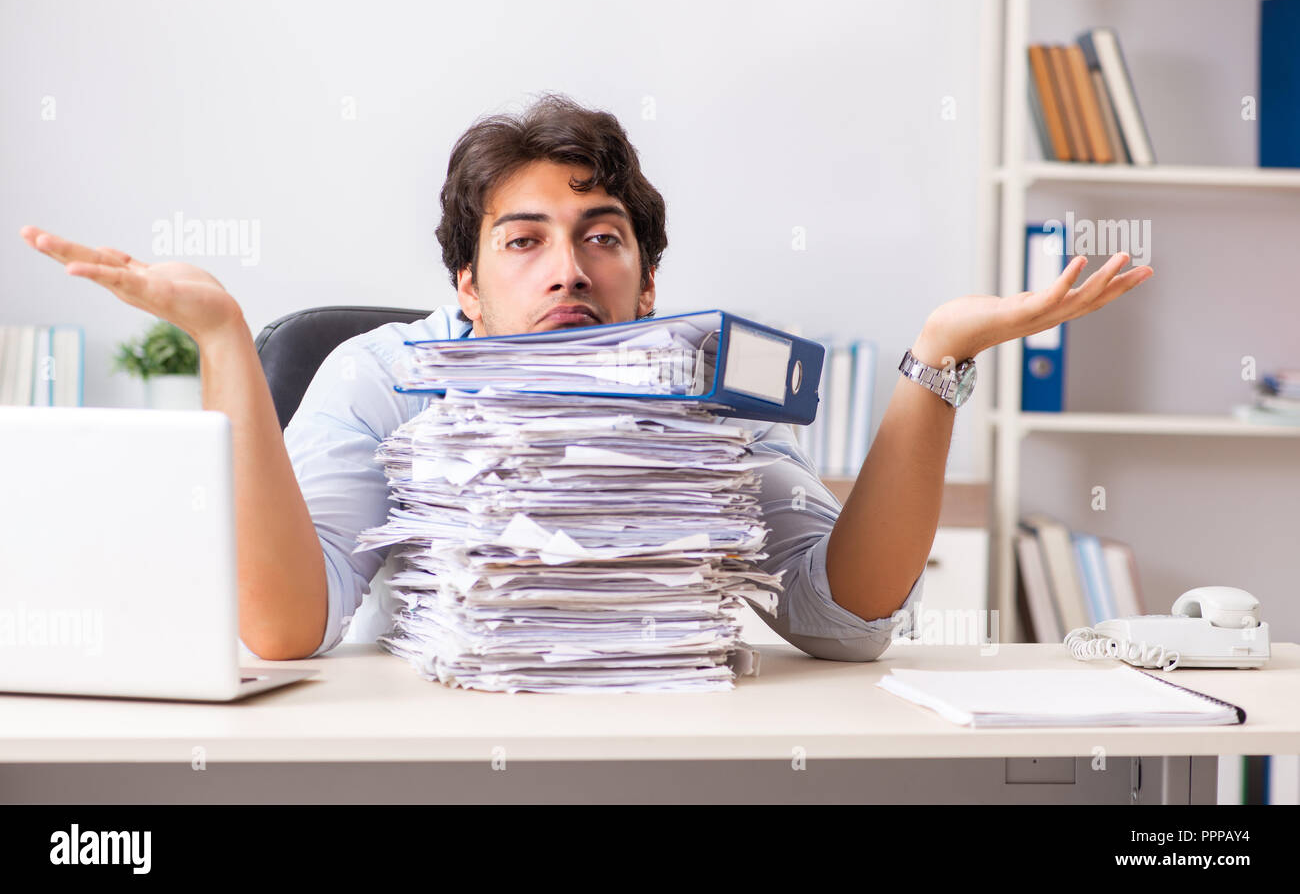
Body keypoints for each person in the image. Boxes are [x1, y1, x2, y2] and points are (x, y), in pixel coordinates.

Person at [19, 93, 1153, 662]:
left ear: (647, 281)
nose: (569, 269)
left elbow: (840, 618)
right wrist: (223, 337)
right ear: (463, 283)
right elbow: (286, 629)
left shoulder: (700, 395)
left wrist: (938, 360)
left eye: (601, 237)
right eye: (522, 241)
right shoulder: (379, 377)